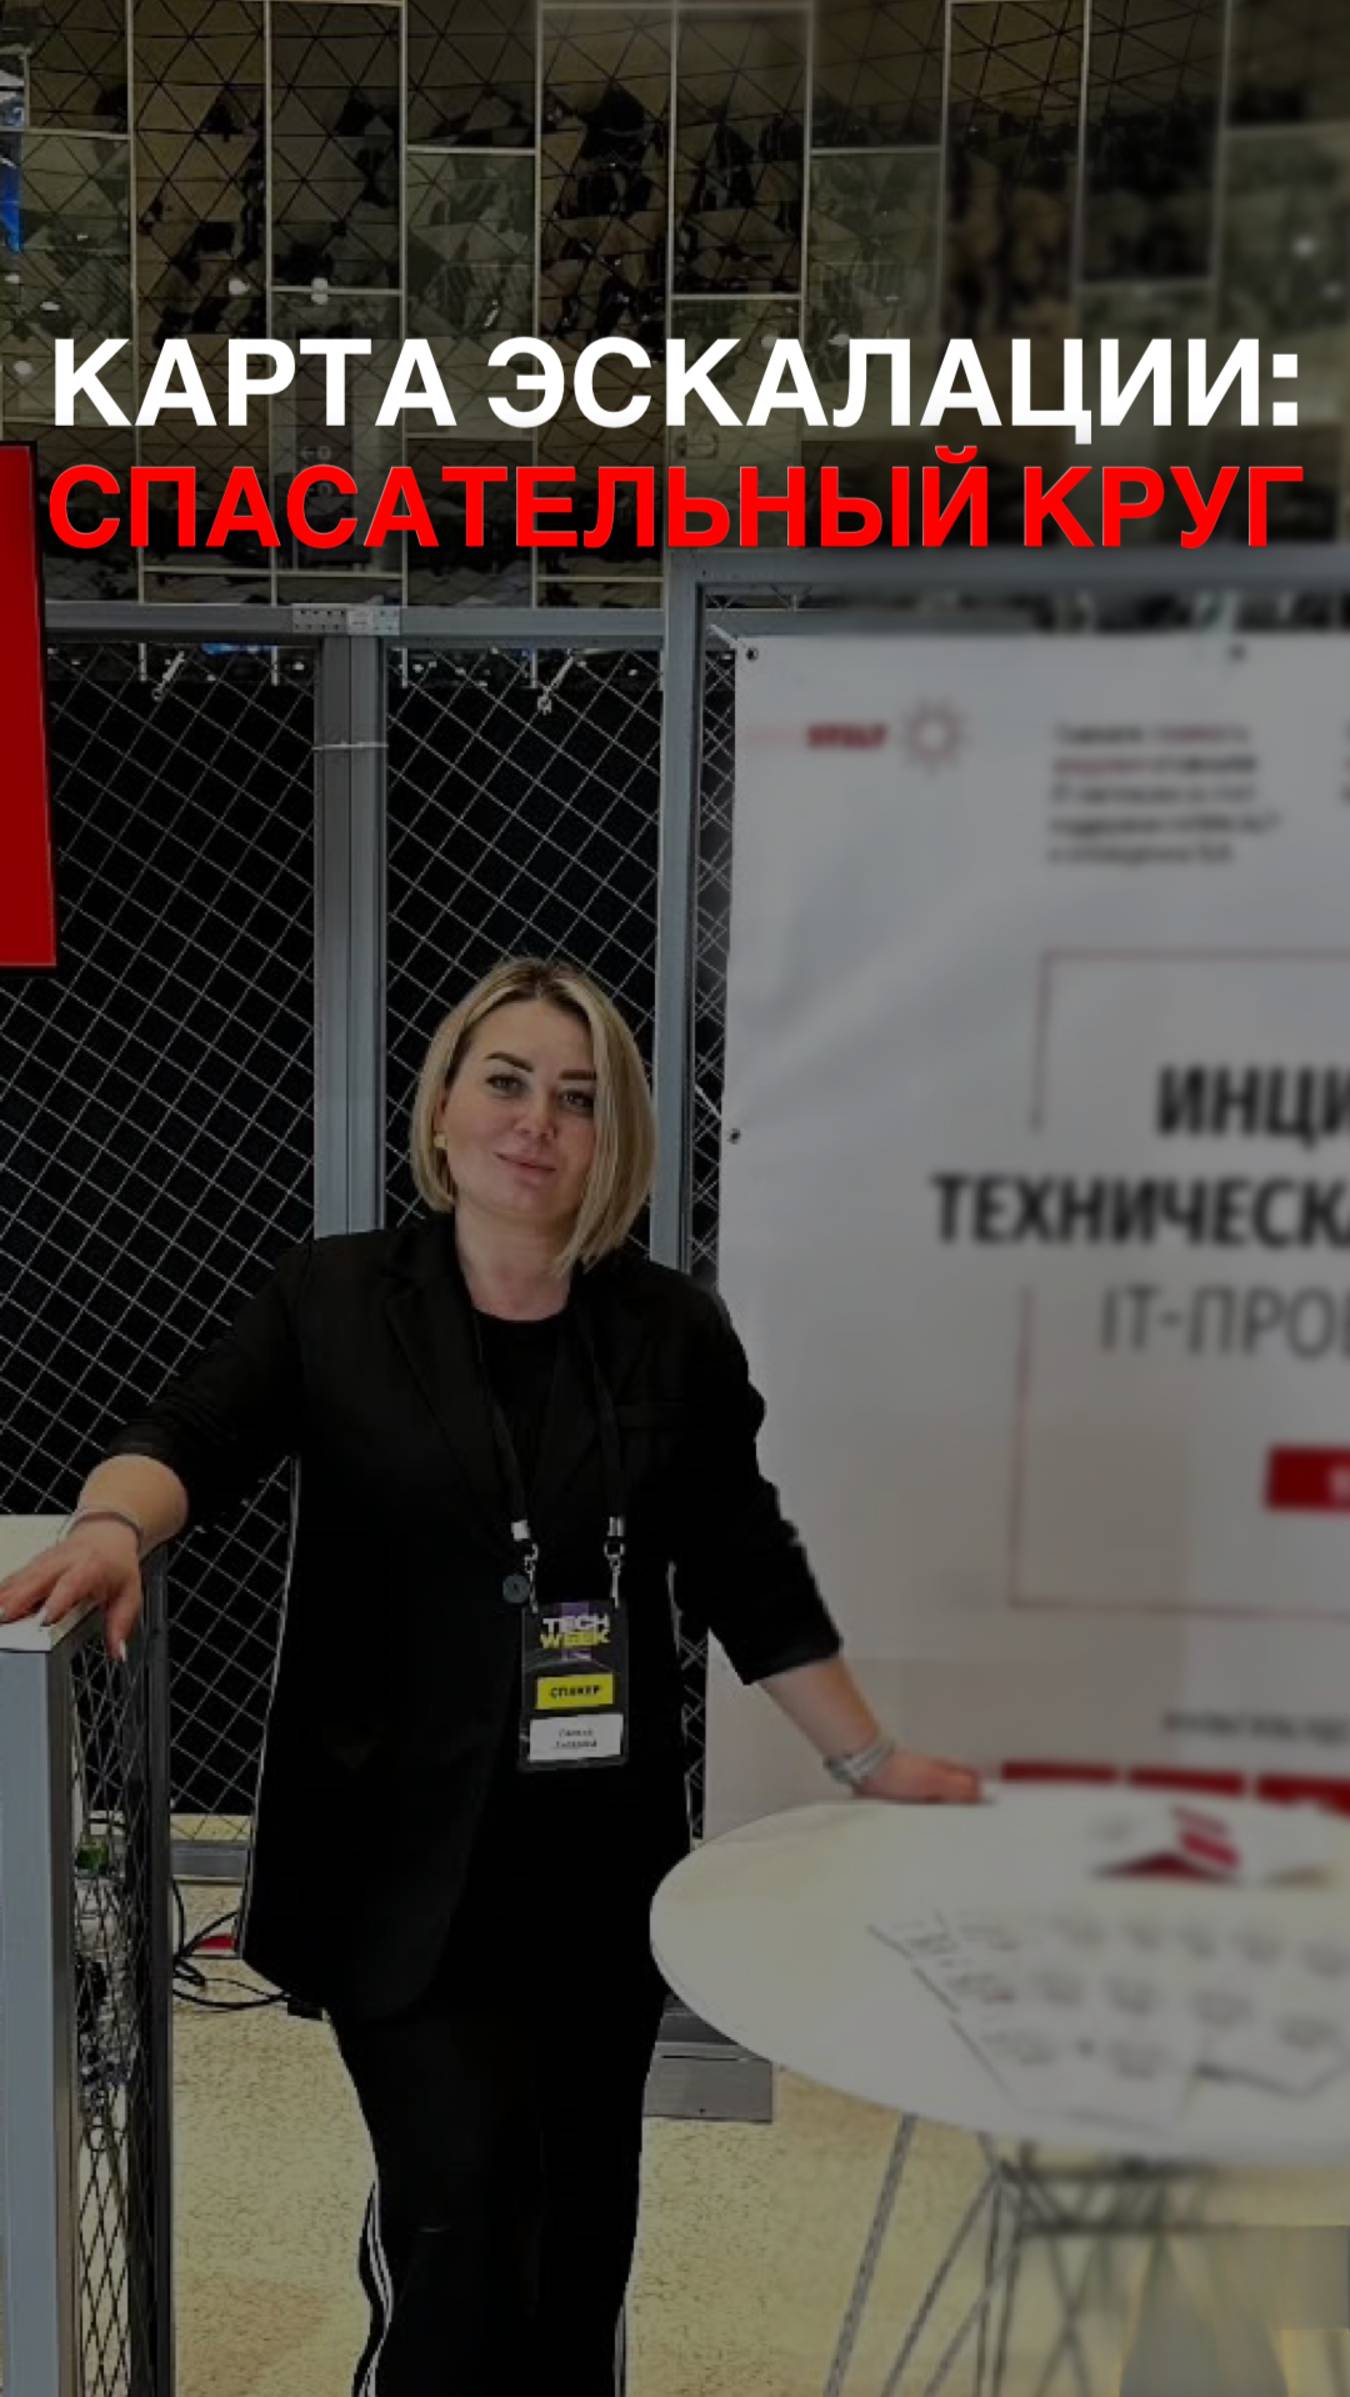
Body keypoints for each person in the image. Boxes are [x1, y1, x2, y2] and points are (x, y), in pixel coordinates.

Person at [0, 956, 980, 2395]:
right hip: (396, 1865)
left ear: (613, 1136)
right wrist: (108, 1525)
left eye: (578, 1099)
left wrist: (870, 1759)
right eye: (507, 1082)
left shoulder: (671, 1335)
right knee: (459, 2240)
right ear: (446, 1104)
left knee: (578, 2251)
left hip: (593, 1866)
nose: (537, 1123)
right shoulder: (335, 1299)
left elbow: (746, 1568)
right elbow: (191, 1436)